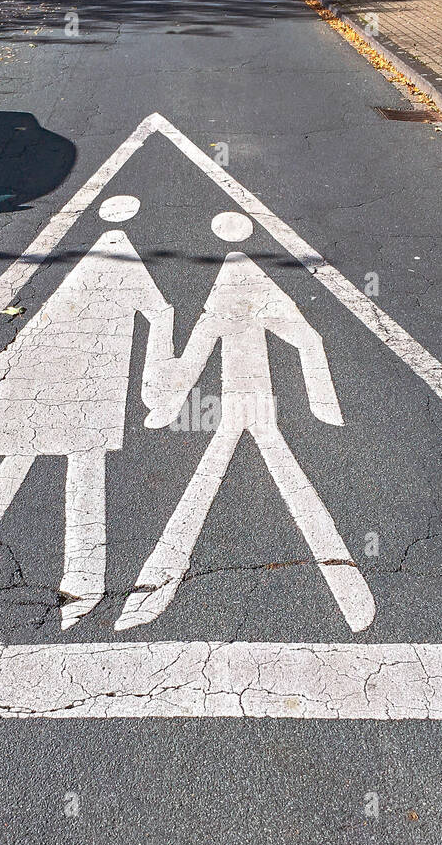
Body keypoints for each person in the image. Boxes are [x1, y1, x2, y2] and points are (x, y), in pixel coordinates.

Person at [0, 196, 173, 637]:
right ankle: (80, 588)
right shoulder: (110, 261)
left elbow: (40, 327)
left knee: (21, 474)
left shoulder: (110, 260)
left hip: (71, 378)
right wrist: (156, 379)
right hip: (79, 380)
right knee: (67, 471)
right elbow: (154, 315)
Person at [118, 211, 375, 633]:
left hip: (244, 407)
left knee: (208, 486)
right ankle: (346, 585)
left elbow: (195, 357)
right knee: (272, 482)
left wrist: (168, 406)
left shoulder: (219, 309)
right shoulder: (249, 301)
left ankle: (152, 588)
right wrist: (322, 404)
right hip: (251, 407)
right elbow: (308, 340)